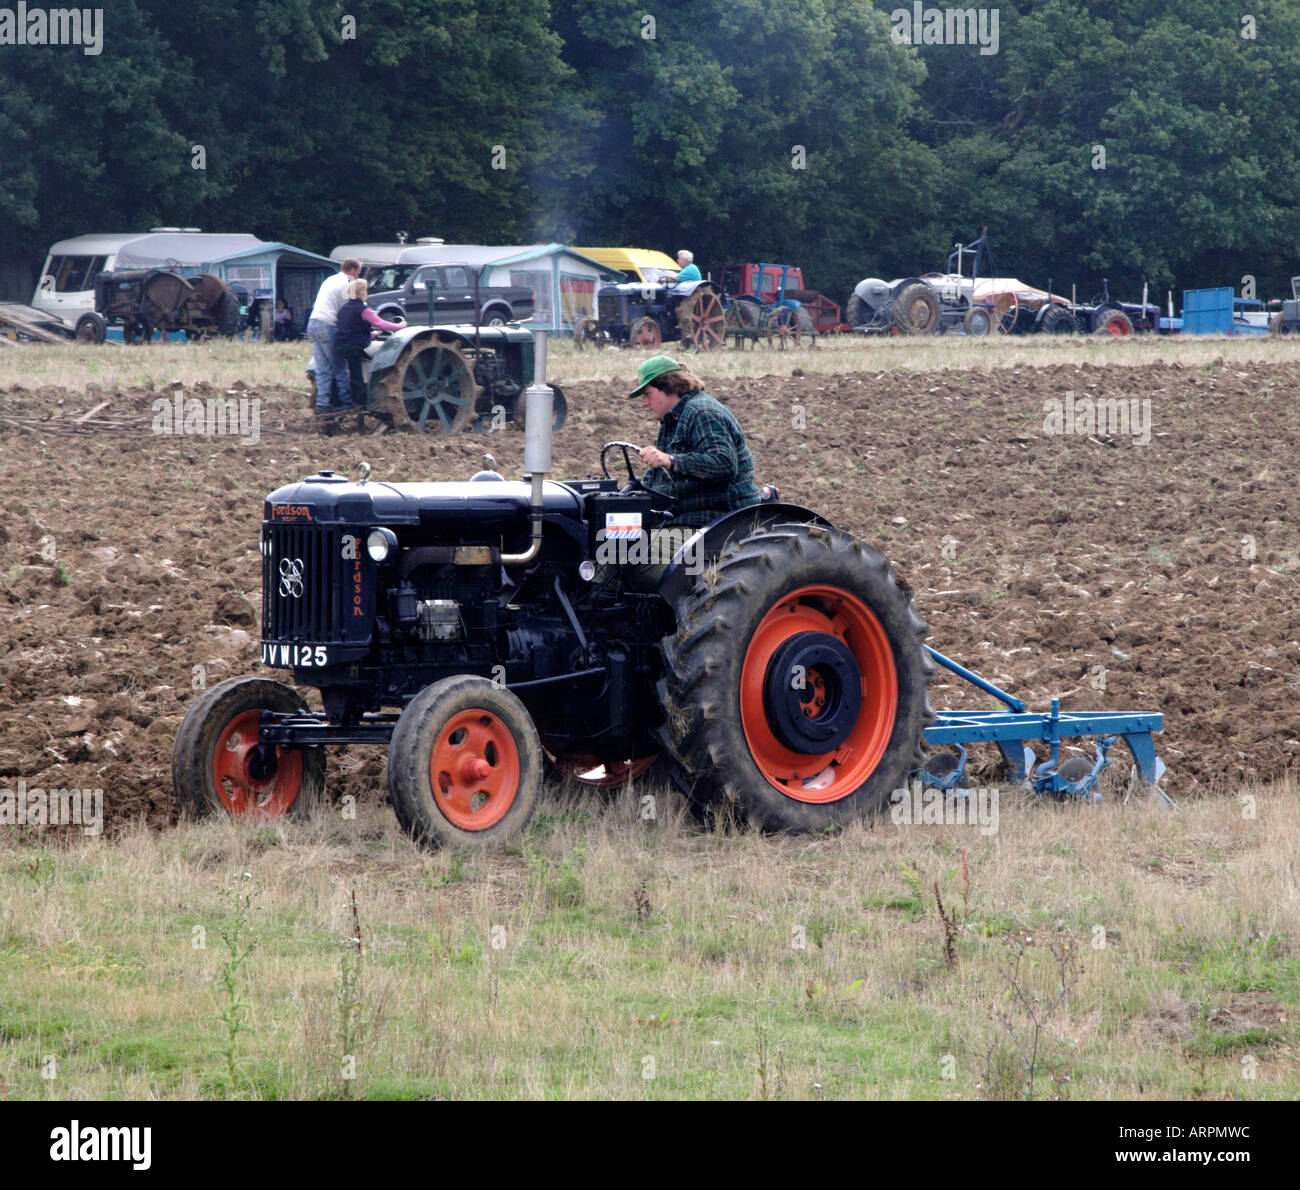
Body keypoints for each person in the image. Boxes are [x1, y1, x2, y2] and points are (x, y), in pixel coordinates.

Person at [619, 355, 759, 588]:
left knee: (635, 560)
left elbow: (724, 463)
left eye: (647, 394)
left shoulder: (701, 413)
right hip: (685, 517)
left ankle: (707, 590)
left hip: (717, 520)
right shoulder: (673, 420)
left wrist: (672, 461)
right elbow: (663, 479)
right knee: (610, 542)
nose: (644, 403)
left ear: (668, 387)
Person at [334, 278, 405, 416]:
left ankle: (352, 398)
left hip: (341, 345)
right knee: (389, 349)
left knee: (354, 370)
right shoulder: (363, 309)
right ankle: (376, 391)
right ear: (363, 292)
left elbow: (352, 329)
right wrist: (400, 326)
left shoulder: (343, 309)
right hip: (357, 345)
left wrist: (373, 334)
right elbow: (383, 324)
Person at [306, 257, 362, 416]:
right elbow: (347, 311)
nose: (358, 275)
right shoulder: (346, 284)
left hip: (312, 324)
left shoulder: (330, 279)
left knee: (323, 369)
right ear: (352, 270)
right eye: (358, 272)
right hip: (327, 325)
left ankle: (323, 404)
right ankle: (346, 402)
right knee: (340, 367)